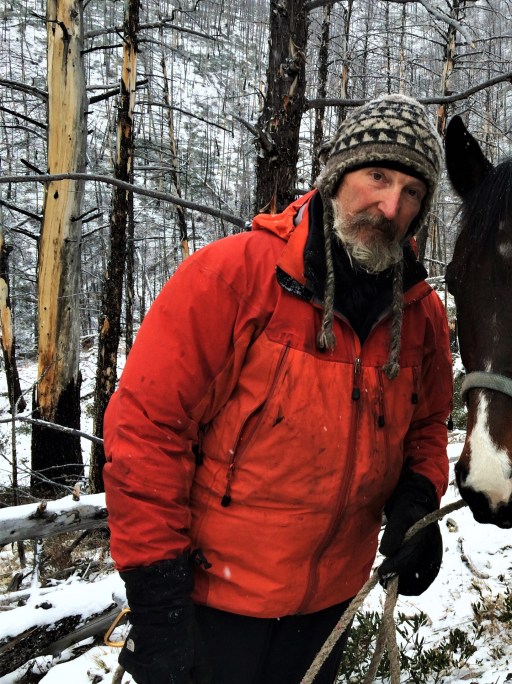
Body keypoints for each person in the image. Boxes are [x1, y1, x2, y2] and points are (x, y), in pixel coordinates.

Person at [102, 94, 454, 684]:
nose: (392, 206)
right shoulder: (232, 277)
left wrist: (417, 500)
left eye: (413, 191)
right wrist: (160, 605)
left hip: (329, 609)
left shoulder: (420, 315)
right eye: (378, 176)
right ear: (337, 176)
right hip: (213, 604)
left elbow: (426, 424)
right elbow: (146, 433)